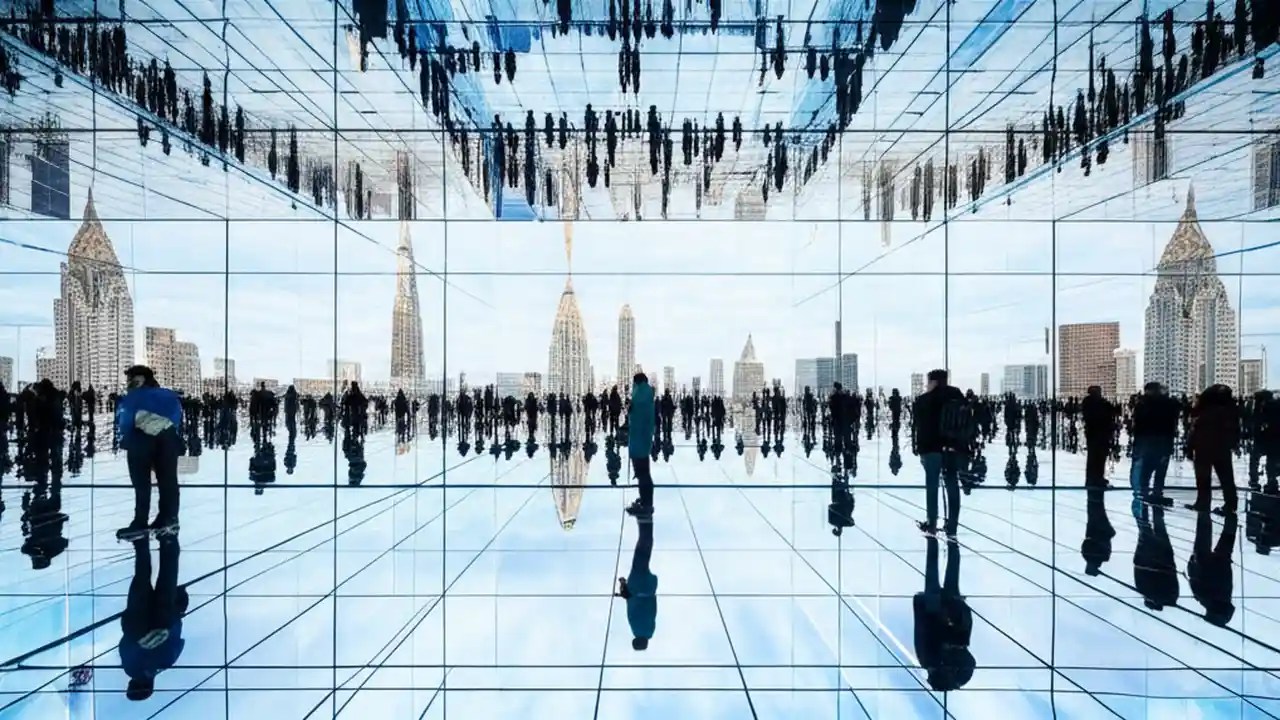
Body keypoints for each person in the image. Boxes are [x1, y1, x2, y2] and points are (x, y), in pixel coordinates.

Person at [116, 365, 183, 540]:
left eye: (131, 379)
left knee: (142, 483)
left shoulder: (133, 397)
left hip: (141, 439)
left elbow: (125, 421)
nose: (129, 383)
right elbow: (177, 417)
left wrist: (127, 438)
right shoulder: (167, 395)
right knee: (168, 480)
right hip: (168, 437)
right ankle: (169, 519)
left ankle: (140, 522)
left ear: (141, 379)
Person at [119, 535, 188, 701]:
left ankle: (169, 537)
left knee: (168, 574)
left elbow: (177, 636)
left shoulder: (167, 662)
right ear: (132, 685)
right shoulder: (131, 669)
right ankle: (141, 540)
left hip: (166, 616)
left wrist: (177, 611)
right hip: (138, 619)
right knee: (142, 574)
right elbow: (125, 646)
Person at [912, 369, 965, 537]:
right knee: (952, 485)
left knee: (932, 486)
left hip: (931, 449)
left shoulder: (923, 400)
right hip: (953, 447)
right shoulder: (956, 395)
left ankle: (932, 524)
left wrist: (919, 449)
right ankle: (952, 525)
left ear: (933, 382)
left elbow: (919, 425)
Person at [1187, 384, 1239, 514]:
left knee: (1203, 478)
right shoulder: (1230, 409)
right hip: (1222, 448)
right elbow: (1235, 429)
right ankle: (1230, 504)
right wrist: (1233, 444)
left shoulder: (1203, 410)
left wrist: (1189, 447)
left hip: (1203, 447)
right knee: (1226, 477)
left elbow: (1194, 430)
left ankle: (1203, 502)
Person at [1129, 382, 1179, 505]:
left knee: (1147, 468)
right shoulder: (1167, 403)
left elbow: (1138, 423)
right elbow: (1173, 417)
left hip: (1148, 440)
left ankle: (1144, 493)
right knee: (1160, 469)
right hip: (1163, 439)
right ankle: (1156, 492)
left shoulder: (1143, 404)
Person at [614, 516, 657, 650]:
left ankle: (645, 520)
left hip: (649, 589)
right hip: (638, 586)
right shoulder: (636, 628)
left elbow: (651, 610)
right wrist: (623, 583)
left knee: (644, 554)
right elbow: (631, 604)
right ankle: (644, 518)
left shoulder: (650, 631)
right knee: (642, 551)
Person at [626, 372, 656, 517]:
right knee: (644, 473)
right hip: (643, 440)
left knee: (642, 474)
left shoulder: (640, 395)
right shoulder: (645, 394)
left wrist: (631, 411)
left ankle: (646, 505)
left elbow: (637, 420)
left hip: (639, 440)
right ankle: (645, 500)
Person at [1081, 386, 1113, 488]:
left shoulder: (1088, 403)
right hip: (1098, 434)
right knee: (1097, 458)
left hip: (1095, 434)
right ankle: (1096, 479)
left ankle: (1095, 478)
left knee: (1096, 458)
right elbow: (1107, 412)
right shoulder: (1095, 403)